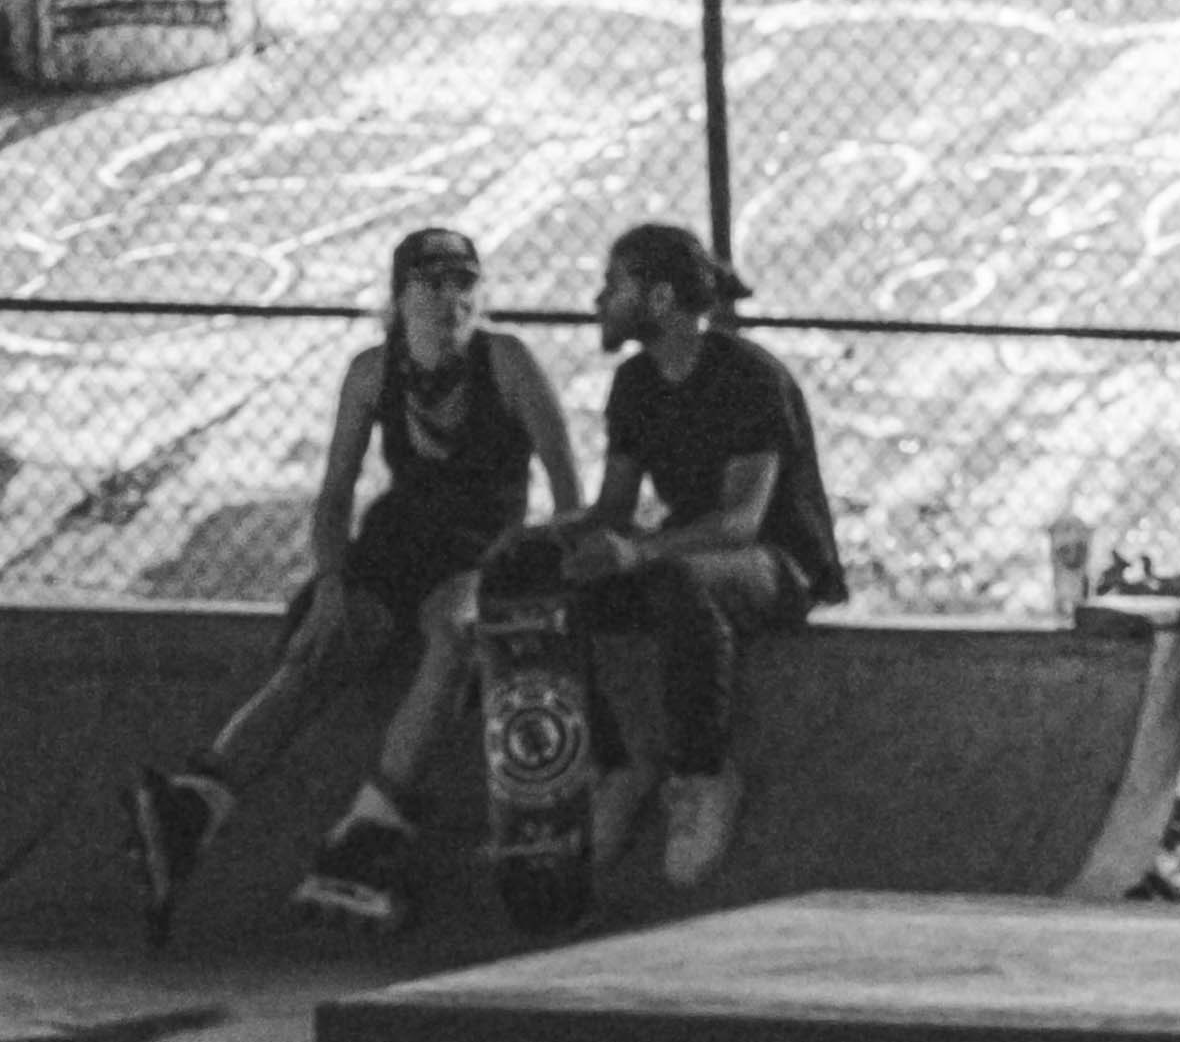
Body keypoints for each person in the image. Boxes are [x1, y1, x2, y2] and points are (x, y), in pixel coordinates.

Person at [125, 224, 584, 941]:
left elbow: (568, 495)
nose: (451, 299)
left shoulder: (509, 364)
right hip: (395, 546)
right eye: (432, 284)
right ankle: (194, 805)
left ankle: (368, 833)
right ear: (399, 297)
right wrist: (332, 580)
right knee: (322, 645)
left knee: (458, 631)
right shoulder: (373, 371)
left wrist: (521, 558)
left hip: (476, 552)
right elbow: (335, 491)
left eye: (464, 283)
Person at [552, 219, 853, 890]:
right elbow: (614, 508)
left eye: (613, 285)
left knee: (681, 582)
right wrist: (549, 540)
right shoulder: (635, 384)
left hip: (778, 564)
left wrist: (637, 553)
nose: (599, 300)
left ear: (658, 299)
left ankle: (703, 775)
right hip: (681, 554)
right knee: (553, 590)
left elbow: (743, 521)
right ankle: (616, 766)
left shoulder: (748, 377)